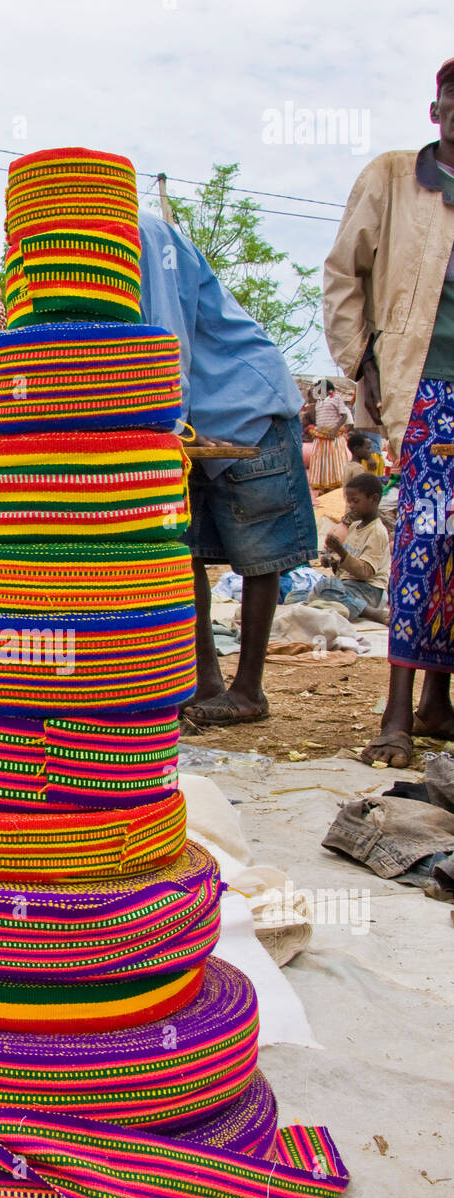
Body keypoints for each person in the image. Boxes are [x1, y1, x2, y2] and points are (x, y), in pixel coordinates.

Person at [138, 210, 317, 728]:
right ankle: (209, 682)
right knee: (185, 548)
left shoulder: (145, 234)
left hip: (244, 409)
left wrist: (162, 427)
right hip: (195, 420)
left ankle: (249, 690)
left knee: (261, 554)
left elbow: (165, 340)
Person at [325, 57, 454, 767]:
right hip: (428, 392)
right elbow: (345, 271)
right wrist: (359, 363)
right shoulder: (395, 177)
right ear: (436, 109)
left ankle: (438, 703)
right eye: (452, 96)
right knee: (423, 548)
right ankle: (396, 715)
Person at [311, 473, 390, 623]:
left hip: (369, 590)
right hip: (348, 586)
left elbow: (365, 572)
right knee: (303, 594)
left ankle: (372, 613)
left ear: (374, 499)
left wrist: (341, 552)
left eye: (356, 501)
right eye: (349, 501)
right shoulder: (354, 527)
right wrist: (332, 561)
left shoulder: (377, 531)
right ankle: (343, 606)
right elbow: (345, 567)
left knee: (326, 588)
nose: (351, 506)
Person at [307, 378, 352, 490]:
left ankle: (338, 486)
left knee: (335, 461)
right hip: (321, 437)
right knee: (321, 462)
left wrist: (335, 429)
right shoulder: (318, 402)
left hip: (333, 437)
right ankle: (325, 487)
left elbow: (344, 415)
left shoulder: (336, 398)